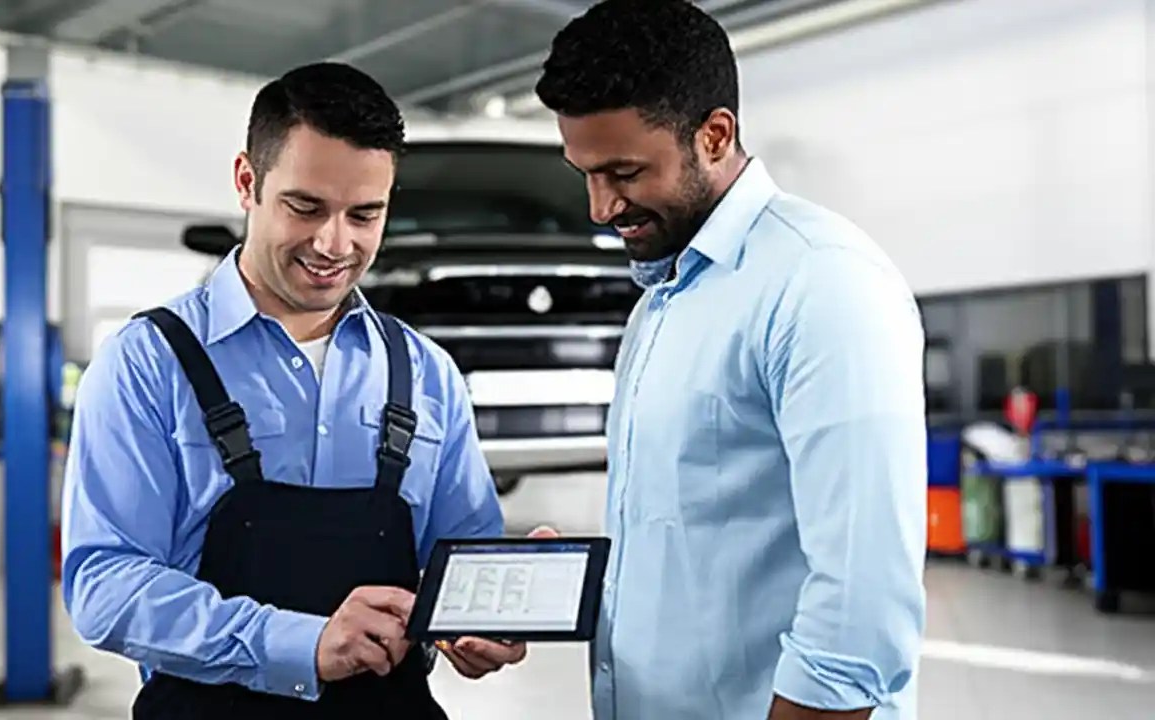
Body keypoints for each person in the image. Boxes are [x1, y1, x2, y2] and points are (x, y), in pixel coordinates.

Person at [60, 62, 528, 719]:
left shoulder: (427, 374)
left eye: (365, 214)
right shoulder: (146, 365)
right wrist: (302, 643)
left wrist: (484, 615)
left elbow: (459, 559)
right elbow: (104, 585)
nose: (335, 243)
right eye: (305, 207)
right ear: (247, 183)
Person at [533, 2, 928, 719]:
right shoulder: (662, 299)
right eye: (584, 172)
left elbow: (862, 603)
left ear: (715, 135)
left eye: (623, 171)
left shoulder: (822, 284)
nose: (599, 207)